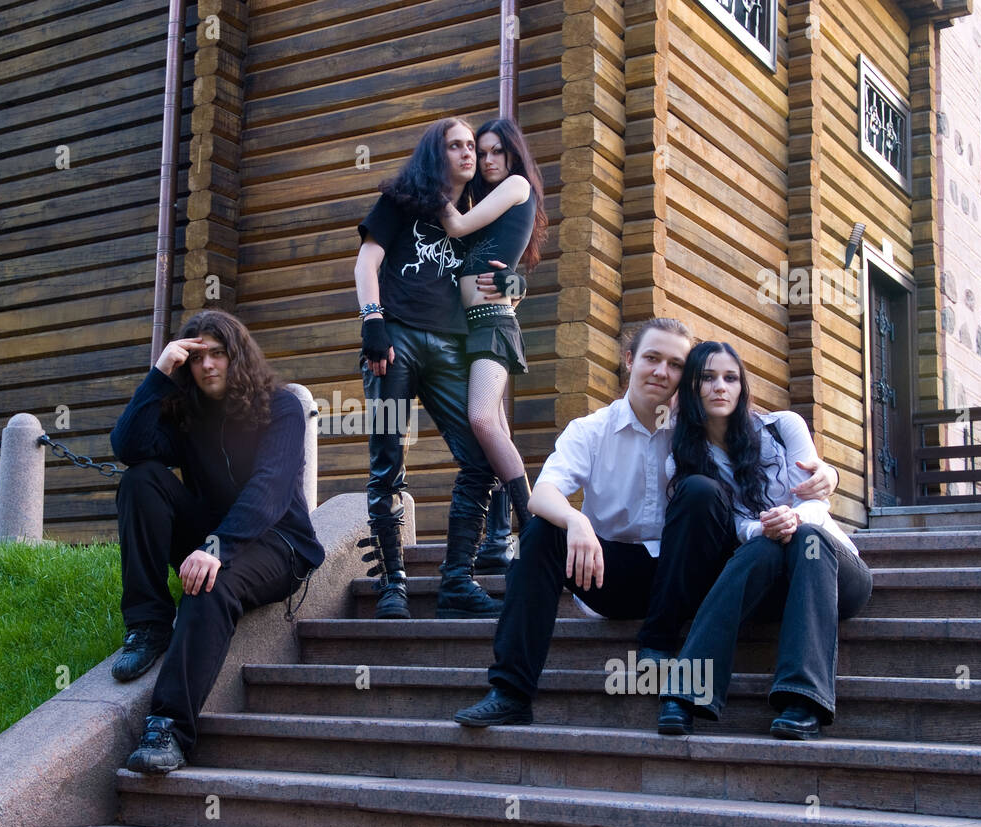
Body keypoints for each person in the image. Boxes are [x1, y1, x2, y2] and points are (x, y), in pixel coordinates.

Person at [453, 318, 841, 726]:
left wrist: (830, 474)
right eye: (652, 358)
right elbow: (543, 495)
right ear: (629, 360)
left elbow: (759, 425)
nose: (662, 371)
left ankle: (658, 647)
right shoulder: (592, 430)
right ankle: (511, 691)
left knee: (700, 492)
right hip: (614, 574)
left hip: (698, 575)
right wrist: (576, 521)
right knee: (540, 533)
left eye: (675, 364)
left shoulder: (702, 427)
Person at [108, 310, 324, 773]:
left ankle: (167, 727)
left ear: (237, 356)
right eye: (197, 356)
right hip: (213, 533)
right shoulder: (186, 414)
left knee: (210, 585)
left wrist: (216, 549)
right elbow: (129, 449)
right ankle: (147, 624)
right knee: (141, 481)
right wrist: (159, 374)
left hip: (278, 544)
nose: (208, 365)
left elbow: (269, 487)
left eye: (219, 354)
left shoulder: (280, 407)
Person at [656, 341, 872, 740]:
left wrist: (792, 516)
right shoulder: (684, 459)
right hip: (770, 574)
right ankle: (687, 689)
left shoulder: (783, 425)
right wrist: (766, 528)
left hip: (835, 570)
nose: (720, 387)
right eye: (707, 377)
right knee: (761, 547)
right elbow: (739, 527)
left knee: (805, 535)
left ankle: (805, 698)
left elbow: (817, 500)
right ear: (690, 388)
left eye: (731, 378)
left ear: (742, 388)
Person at [355, 117, 524, 620]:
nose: (469, 153)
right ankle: (392, 584)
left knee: (479, 458)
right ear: (436, 153)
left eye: (473, 145)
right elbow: (366, 263)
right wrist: (373, 322)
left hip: (452, 347)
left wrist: (512, 286)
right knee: (388, 461)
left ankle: (456, 580)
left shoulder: (477, 212)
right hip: (395, 341)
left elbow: (490, 286)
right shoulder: (401, 201)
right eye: (456, 145)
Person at [437, 117, 549, 536]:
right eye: (480, 153)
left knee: (482, 420)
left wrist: (425, 183)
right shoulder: (482, 204)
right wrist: (515, 283)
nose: (486, 160)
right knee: (491, 433)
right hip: (467, 330)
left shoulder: (518, 185)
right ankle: (498, 539)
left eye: (495, 151)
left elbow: (457, 226)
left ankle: (533, 525)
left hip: (492, 325)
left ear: (513, 152)